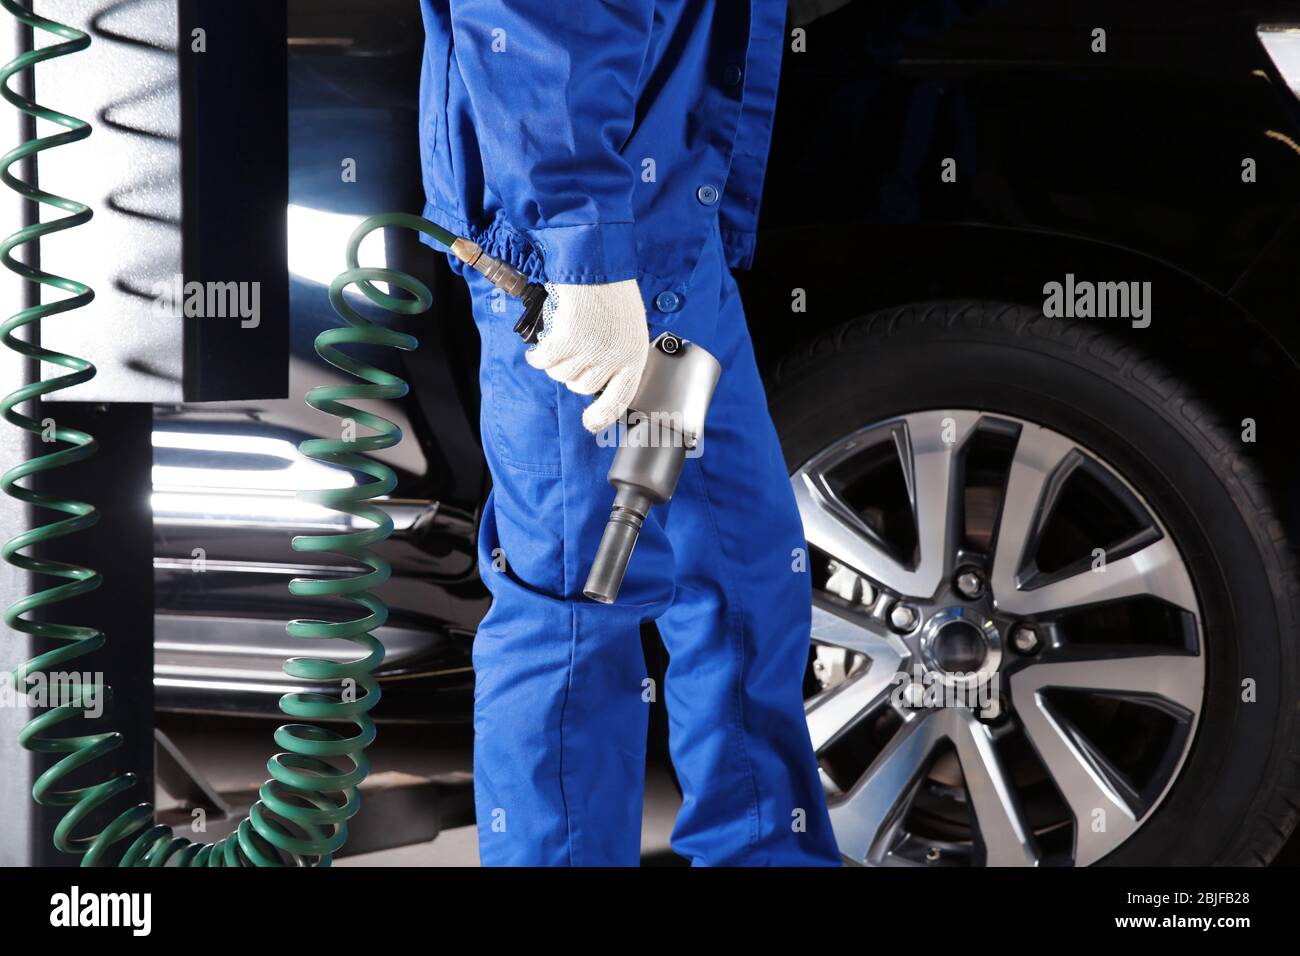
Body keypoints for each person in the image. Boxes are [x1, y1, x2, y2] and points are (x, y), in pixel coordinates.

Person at [418, 0, 840, 866]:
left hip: (674, 237)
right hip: (574, 257)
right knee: (579, 611)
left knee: (741, 578)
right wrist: (581, 244)